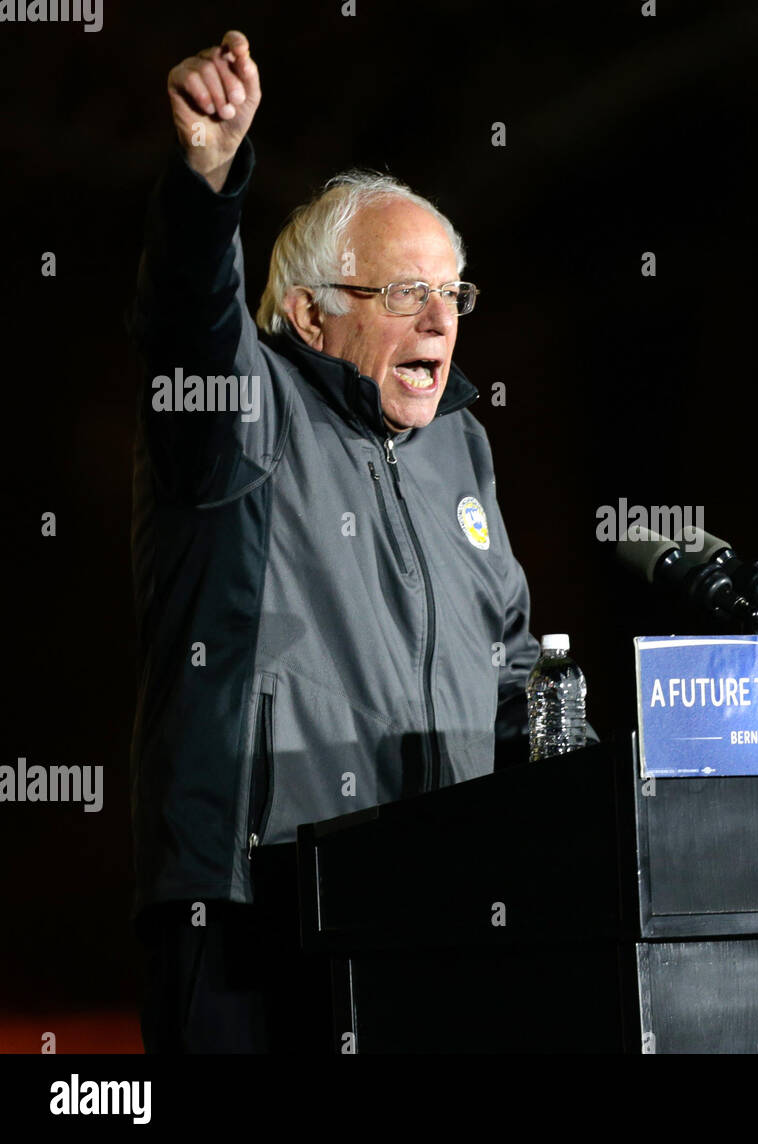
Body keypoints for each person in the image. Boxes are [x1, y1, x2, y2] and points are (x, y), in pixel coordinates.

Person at [129, 29, 554, 1052]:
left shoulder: (461, 448)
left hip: (432, 915)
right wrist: (208, 177)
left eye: (451, 292)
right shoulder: (245, 412)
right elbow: (191, 315)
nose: (440, 318)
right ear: (309, 314)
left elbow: (507, 662)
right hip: (251, 909)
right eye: (403, 292)